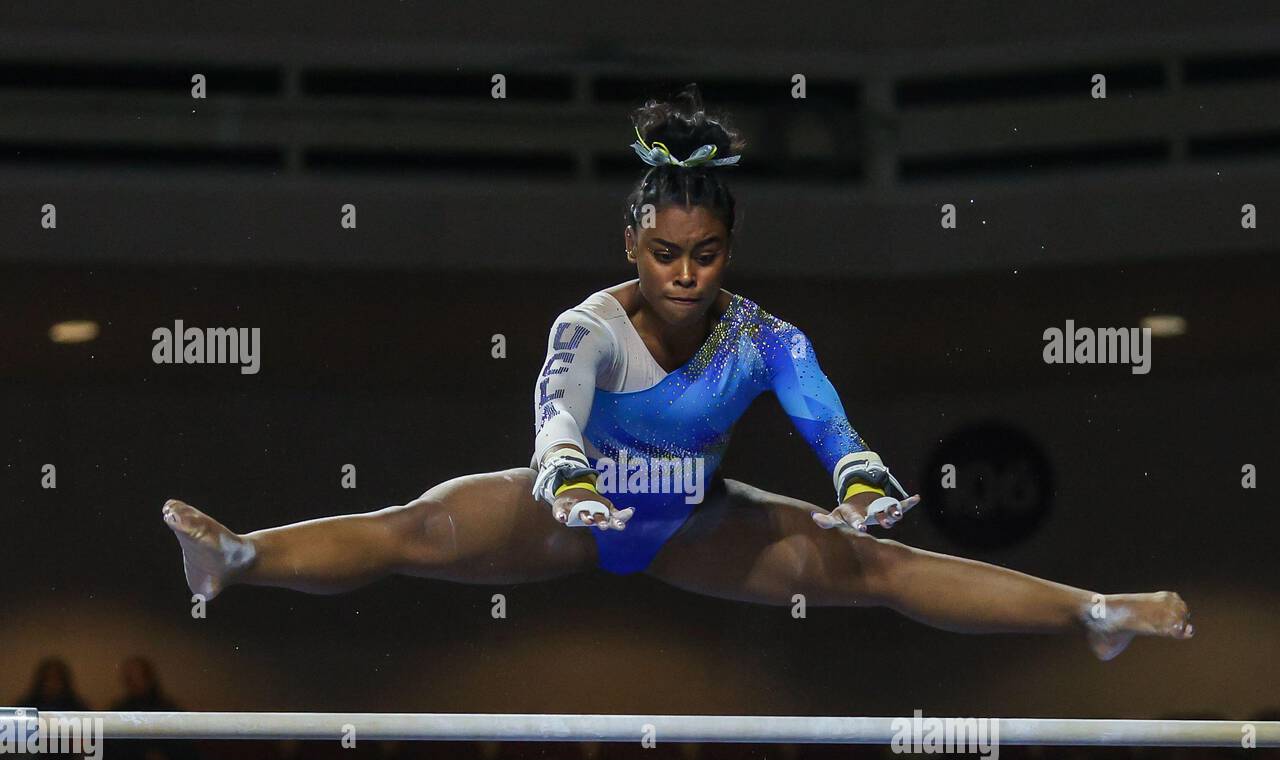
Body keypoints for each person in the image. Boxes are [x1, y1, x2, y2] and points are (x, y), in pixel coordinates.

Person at [162, 84, 1192, 663]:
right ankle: (242, 558)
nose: (685, 275)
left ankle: (1089, 611)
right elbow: (556, 419)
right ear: (631, 243)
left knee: (880, 570)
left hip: (699, 524)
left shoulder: (766, 339)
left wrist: (863, 484)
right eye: (664, 255)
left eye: (705, 255)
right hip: (571, 512)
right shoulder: (589, 327)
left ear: (728, 249)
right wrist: (564, 476)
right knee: (416, 526)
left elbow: (833, 430)